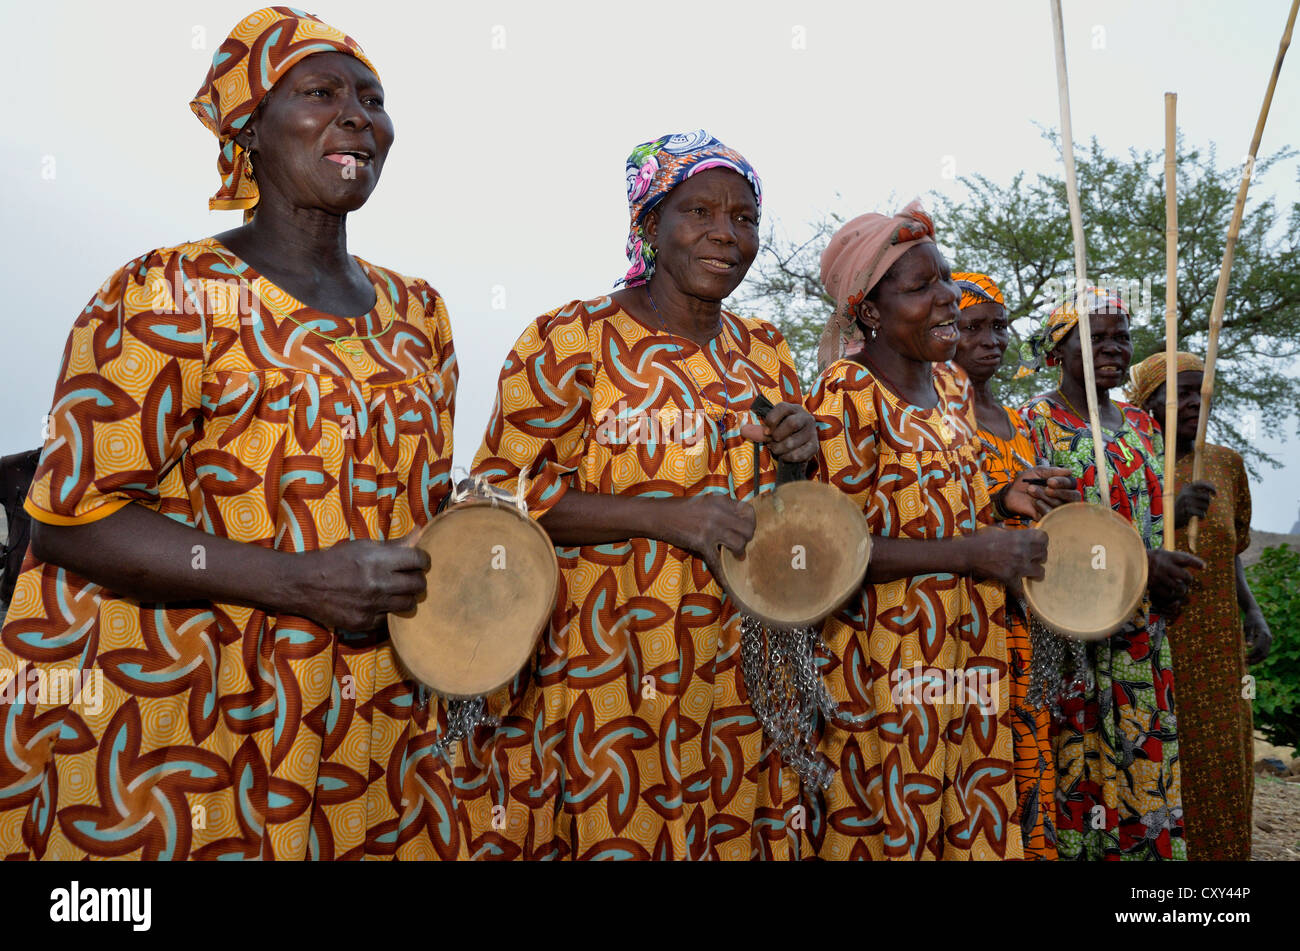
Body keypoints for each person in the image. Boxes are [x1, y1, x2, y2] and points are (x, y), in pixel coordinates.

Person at [0, 8, 457, 860]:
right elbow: (72, 518)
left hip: (365, 713)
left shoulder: (418, 315)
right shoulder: (169, 290)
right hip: (190, 706)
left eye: (373, 98)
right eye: (321, 93)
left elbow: (416, 509)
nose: (358, 114)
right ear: (250, 127)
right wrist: (295, 580)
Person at [444, 130, 814, 859]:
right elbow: (494, 494)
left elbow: (789, 520)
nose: (725, 233)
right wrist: (663, 517)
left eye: (744, 217)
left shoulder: (765, 352)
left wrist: (799, 459)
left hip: (735, 669)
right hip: (600, 666)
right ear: (649, 223)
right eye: (698, 211)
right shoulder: (570, 339)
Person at [805, 203, 1079, 860]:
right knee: (895, 826)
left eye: (945, 277)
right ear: (869, 312)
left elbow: (934, 499)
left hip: (968, 649)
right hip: (883, 663)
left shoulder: (950, 390)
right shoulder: (847, 393)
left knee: (969, 819)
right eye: (920, 287)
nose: (947, 298)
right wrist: (972, 552)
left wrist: (1005, 493)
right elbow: (829, 554)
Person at [1018, 288, 1203, 861]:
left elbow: (1146, 520)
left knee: (1140, 770)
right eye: (1094, 337)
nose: (1113, 348)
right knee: (1077, 767)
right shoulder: (1035, 424)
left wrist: (1169, 570)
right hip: (1069, 633)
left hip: (1141, 638)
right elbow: (1049, 534)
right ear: (1059, 348)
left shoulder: (1145, 429)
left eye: (1121, 336)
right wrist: (1144, 565)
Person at [1131, 350, 1271, 860]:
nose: (1195, 402)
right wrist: (1169, 506)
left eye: (1202, 392)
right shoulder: (1134, 462)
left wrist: (1251, 611)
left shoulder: (1227, 463)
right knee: (1166, 764)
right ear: (1148, 404)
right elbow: (1105, 544)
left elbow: (1231, 549)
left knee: (1224, 765)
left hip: (1218, 644)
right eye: (1182, 393)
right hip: (1155, 639)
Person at [950, 272, 1056, 859]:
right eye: (974, 327)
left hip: (1026, 616)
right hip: (970, 612)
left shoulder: (1018, 423)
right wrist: (999, 495)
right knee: (974, 756)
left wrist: (1051, 499)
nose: (992, 340)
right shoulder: (936, 414)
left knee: (1027, 756)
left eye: (1000, 326)